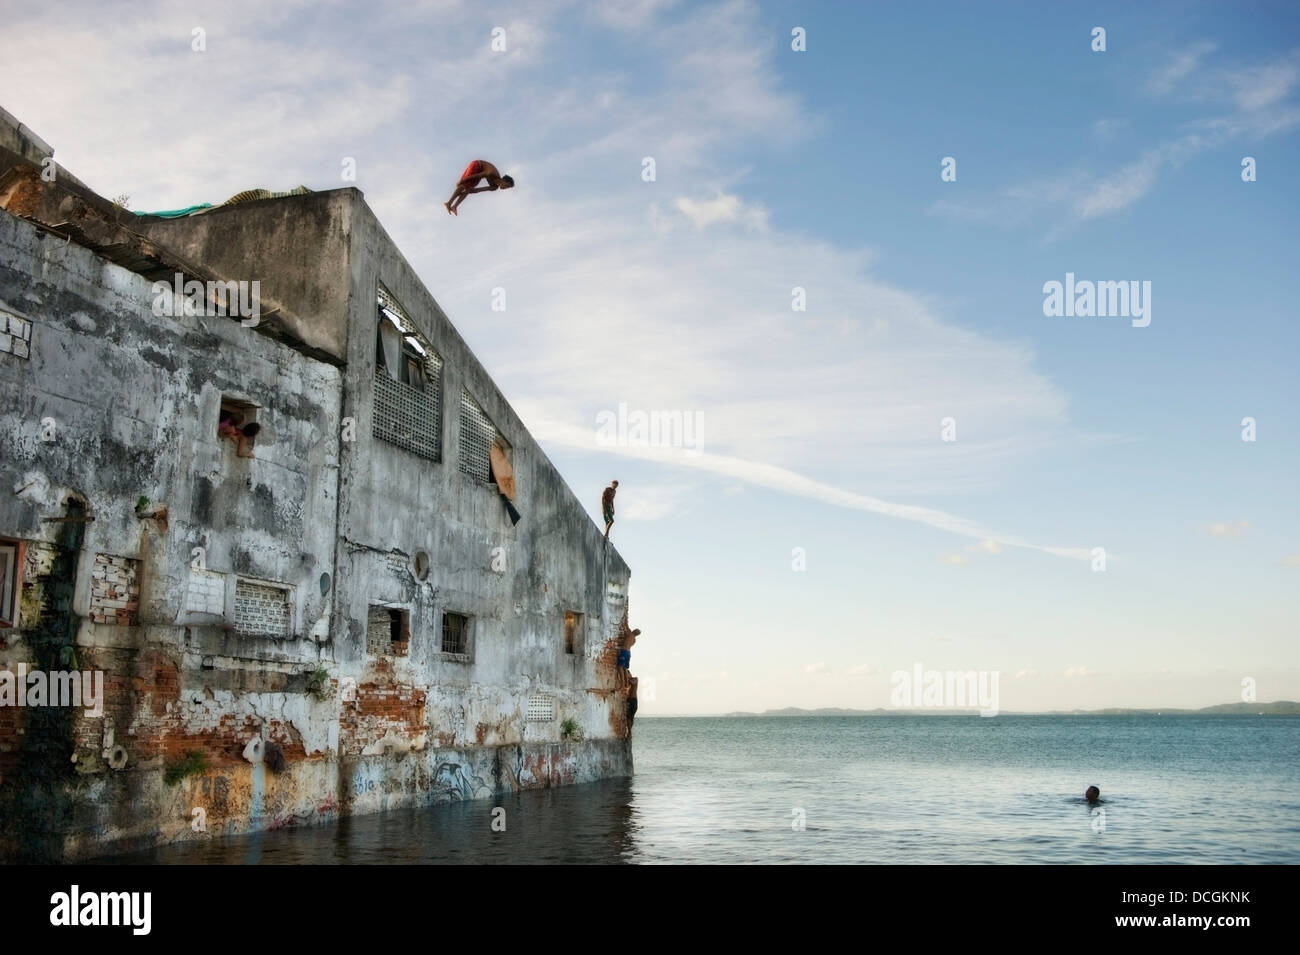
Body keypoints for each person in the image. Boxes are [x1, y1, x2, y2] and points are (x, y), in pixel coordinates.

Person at [444, 159, 514, 215]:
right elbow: (477, 176)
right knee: (465, 184)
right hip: (477, 164)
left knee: (468, 188)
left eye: (507, 188)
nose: (505, 188)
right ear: (504, 180)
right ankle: (449, 203)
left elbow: (478, 190)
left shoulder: (494, 187)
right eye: (507, 186)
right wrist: (461, 181)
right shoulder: (492, 173)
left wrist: (467, 191)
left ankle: (454, 206)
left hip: (481, 172)